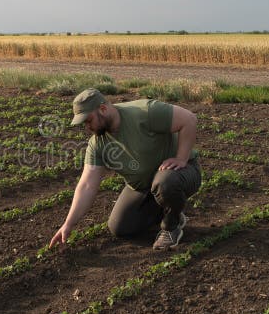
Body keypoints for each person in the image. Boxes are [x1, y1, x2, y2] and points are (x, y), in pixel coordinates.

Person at [49, 88, 201, 251]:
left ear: (103, 109)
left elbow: (189, 119)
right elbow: (87, 185)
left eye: (88, 120)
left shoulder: (144, 112)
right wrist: (68, 224)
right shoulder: (98, 144)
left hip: (181, 173)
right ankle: (171, 210)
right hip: (143, 187)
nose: (88, 127)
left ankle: (171, 227)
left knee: (165, 184)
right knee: (120, 227)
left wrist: (181, 158)